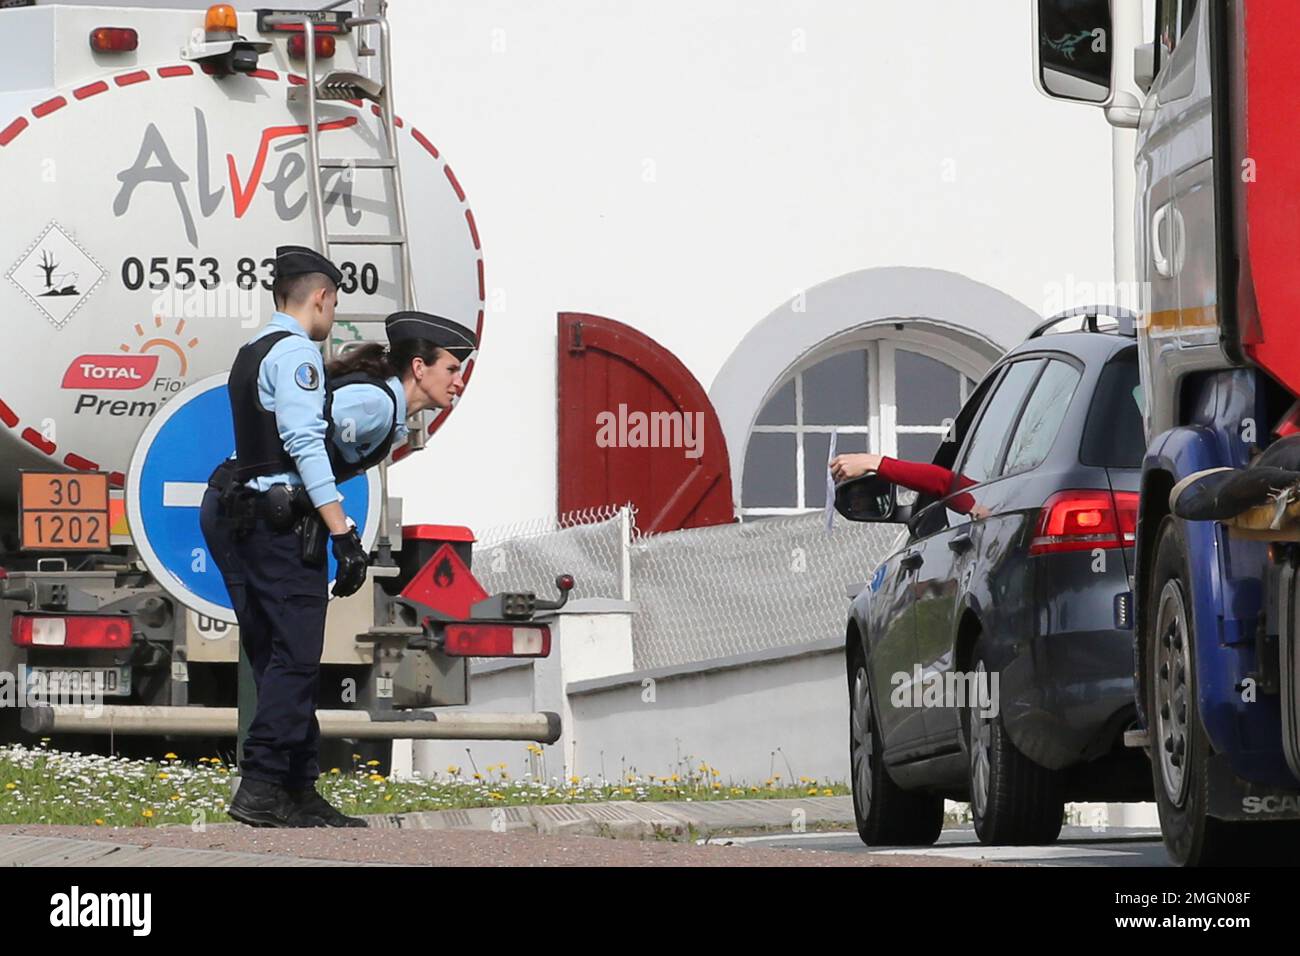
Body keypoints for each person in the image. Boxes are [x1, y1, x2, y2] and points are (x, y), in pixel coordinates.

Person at [199, 245, 370, 829]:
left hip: (248, 519)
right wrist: (342, 532)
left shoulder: (252, 352)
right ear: (320, 297)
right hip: (282, 529)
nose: (331, 312)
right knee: (295, 662)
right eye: (334, 301)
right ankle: (262, 786)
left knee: (277, 661)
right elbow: (302, 443)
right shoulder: (298, 354)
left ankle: (297, 791)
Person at [322, 310, 479, 479]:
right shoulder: (375, 405)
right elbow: (303, 437)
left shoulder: (386, 409)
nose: (459, 382)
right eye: (451, 370)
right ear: (419, 368)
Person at [830, 451, 981, 516]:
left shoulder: (996, 496)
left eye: (861, 496)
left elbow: (948, 484)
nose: (856, 502)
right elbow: (953, 485)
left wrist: (873, 463)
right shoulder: (993, 495)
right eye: (854, 498)